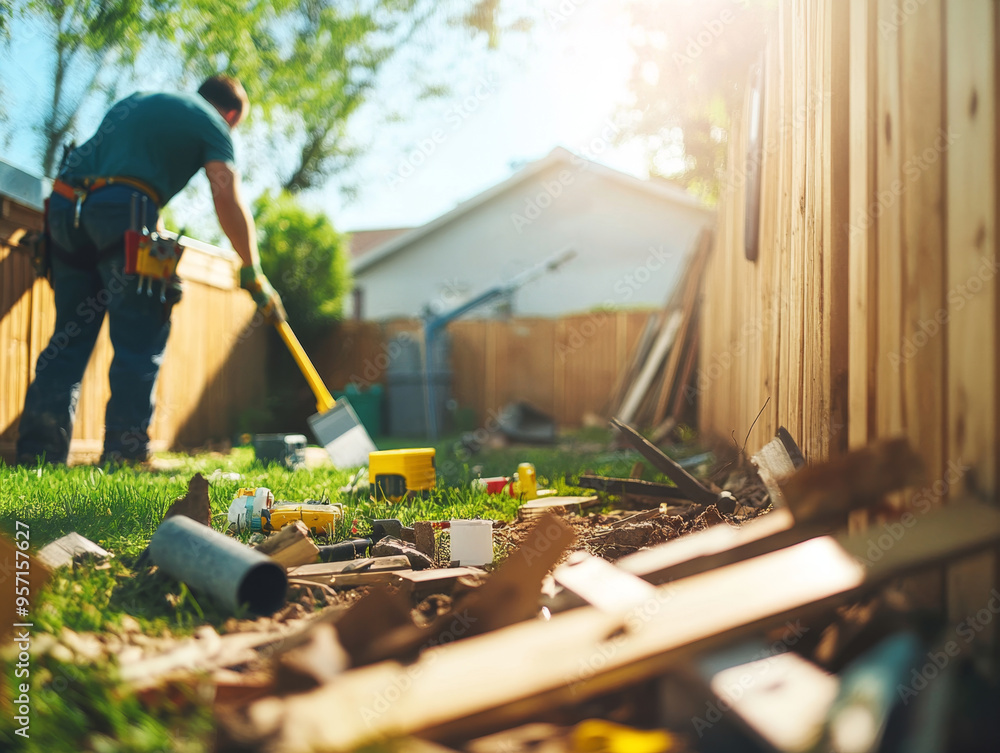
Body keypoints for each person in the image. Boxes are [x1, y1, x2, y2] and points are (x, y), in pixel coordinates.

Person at [16, 75, 285, 466]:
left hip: (64, 208)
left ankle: (37, 454)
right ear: (230, 115)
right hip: (124, 209)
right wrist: (251, 268)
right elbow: (225, 193)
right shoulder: (212, 123)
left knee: (68, 337)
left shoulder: (144, 98)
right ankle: (125, 454)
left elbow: (118, 172)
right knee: (140, 334)